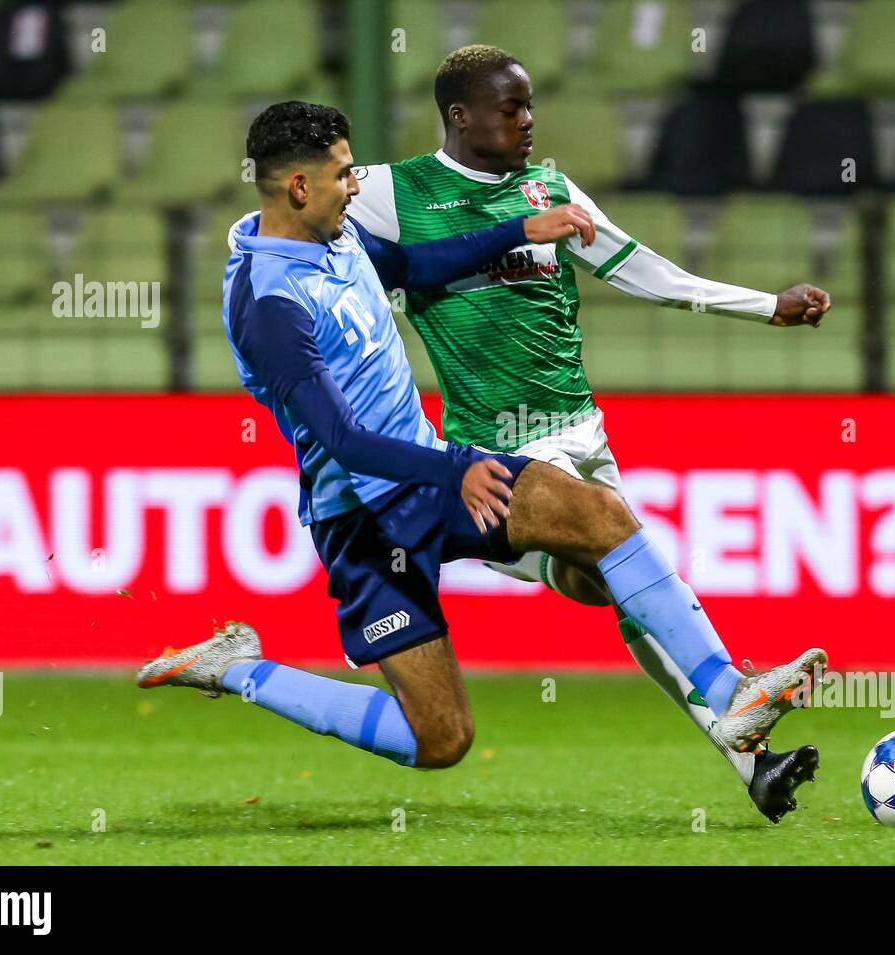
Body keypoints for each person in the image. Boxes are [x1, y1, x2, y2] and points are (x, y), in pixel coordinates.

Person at [136, 101, 824, 823]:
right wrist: (452, 471)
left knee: (598, 512)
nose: (355, 184)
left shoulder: (335, 236)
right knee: (440, 738)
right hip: (366, 520)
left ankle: (729, 696)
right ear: (300, 187)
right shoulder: (267, 303)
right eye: (344, 174)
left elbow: (411, 265)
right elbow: (341, 440)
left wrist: (519, 232)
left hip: (431, 469)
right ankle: (237, 668)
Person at [340, 45, 833, 815]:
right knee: (623, 562)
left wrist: (765, 305)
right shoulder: (392, 190)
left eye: (531, 106)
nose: (529, 121)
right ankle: (732, 694)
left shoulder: (550, 187)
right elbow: (308, 215)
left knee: (623, 590)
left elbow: (643, 270)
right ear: (461, 116)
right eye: (511, 109)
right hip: (504, 448)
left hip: (583, 433)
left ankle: (752, 766)